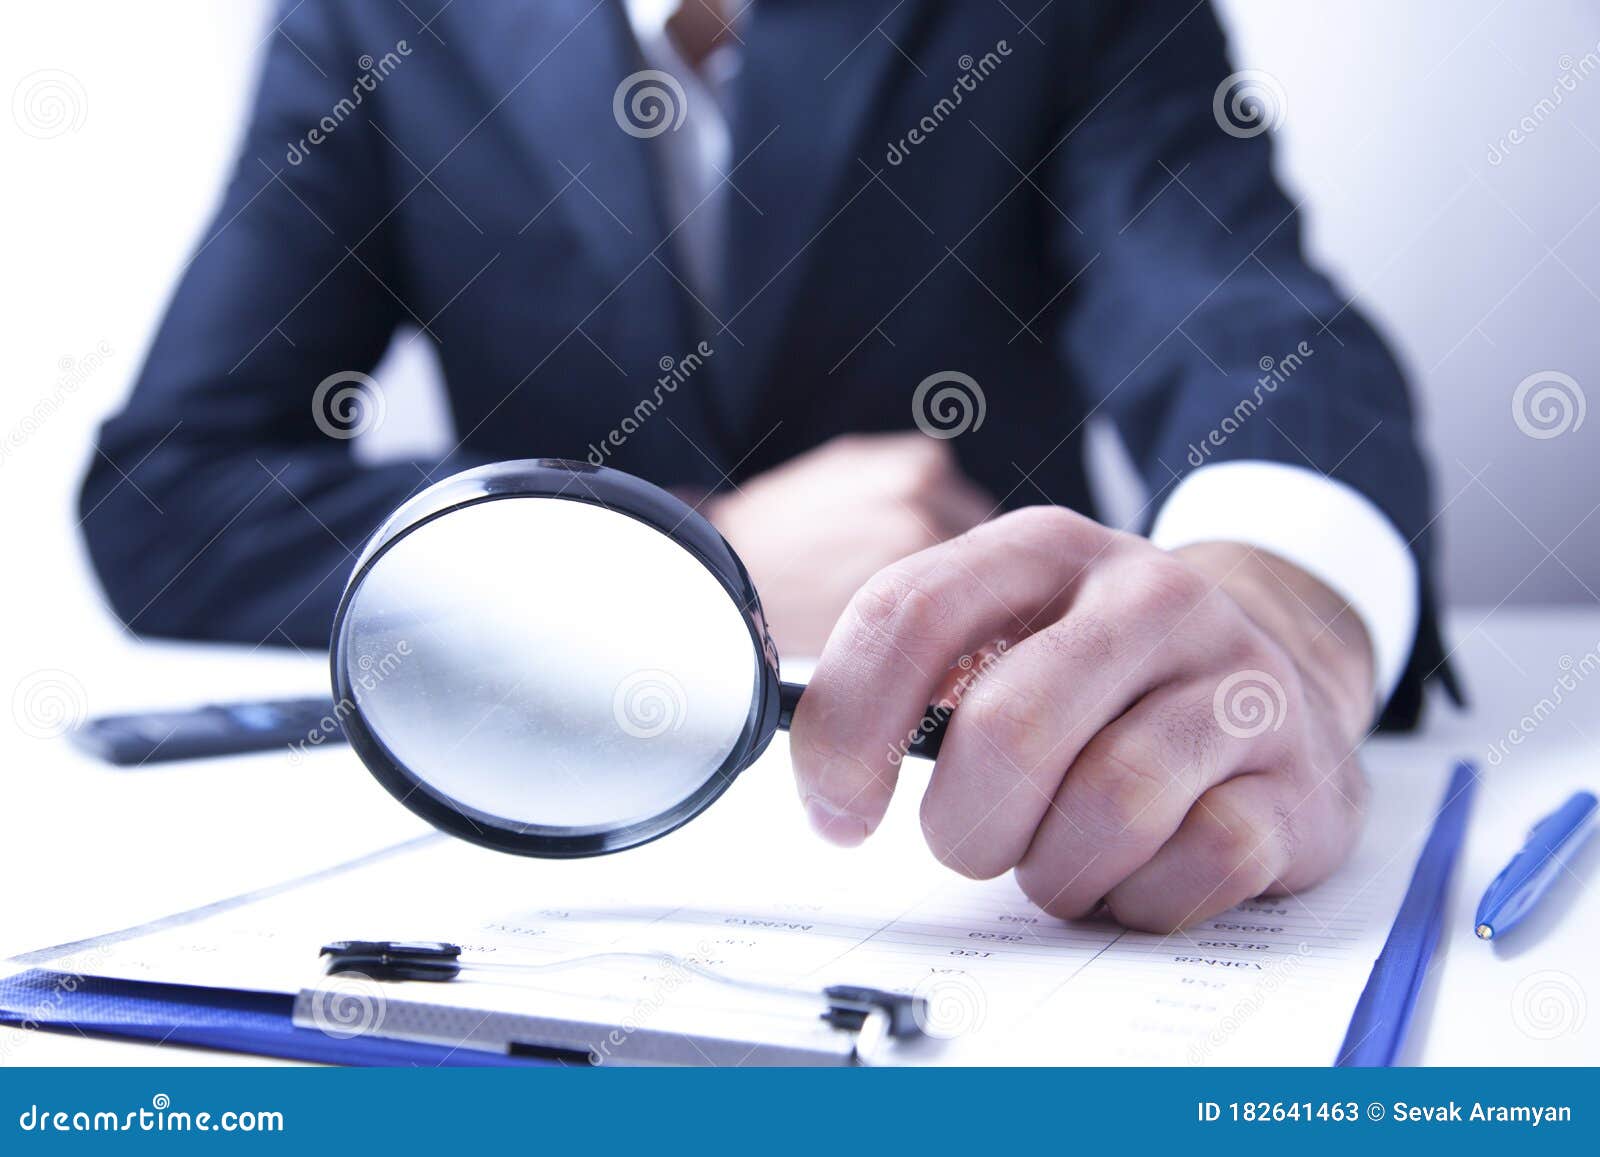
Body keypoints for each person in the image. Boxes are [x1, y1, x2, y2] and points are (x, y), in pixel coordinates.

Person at [81, 0, 1456, 930]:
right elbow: (174, 485)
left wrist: (1280, 616)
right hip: (520, 839)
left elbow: (1256, 332)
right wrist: (696, 538)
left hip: (1016, 819)